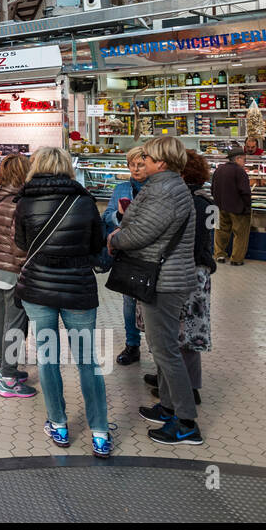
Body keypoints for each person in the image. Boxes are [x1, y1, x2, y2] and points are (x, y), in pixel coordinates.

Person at [13, 146, 111, 457]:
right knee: (88, 361)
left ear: (36, 167)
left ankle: (59, 424)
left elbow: (21, 244)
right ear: (67, 167)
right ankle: (100, 432)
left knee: (47, 358)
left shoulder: (25, 202)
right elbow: (97, 244)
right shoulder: (84, 201)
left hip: (38, 290)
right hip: (78, 289)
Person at [108, 136, 202, 446]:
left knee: (165, 351)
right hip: (166, 277)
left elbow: (139, 234)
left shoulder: (163, 190)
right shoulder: (168, 186)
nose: (141, 163)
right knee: (163, 347)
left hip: (164, 280)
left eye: (146, 158)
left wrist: (115, 239)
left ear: (161, 162)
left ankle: (186, 423)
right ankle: (168, 406)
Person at [150, 149, 215, 408]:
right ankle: (186, 382)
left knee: (175, 331)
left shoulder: (181, 200)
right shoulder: (207, 200)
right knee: (191, 332)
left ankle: (182, 390)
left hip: (182, 270)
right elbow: (209, 238)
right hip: (201, 272)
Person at [0, 153, 33, 399]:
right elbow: (19, 244)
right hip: (11, 270)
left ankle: (3, 369)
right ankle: (9, 379)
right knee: (15, 323)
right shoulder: (19, 203)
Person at [104, 146, 148, 364]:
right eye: (132, 165)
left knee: (151, 304)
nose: (136, 169)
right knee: (129, 302)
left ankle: (159, 348)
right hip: (128, 254)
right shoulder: (121, 188)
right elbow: (107, 216)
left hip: (151, 253)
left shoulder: (157, 188)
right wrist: (118, 215)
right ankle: (133, 345)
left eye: (141, 164)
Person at [212, 148, 253, 265]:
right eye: (244, 159)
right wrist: (247, 206)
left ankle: (219, 255)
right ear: (238, 158)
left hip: (220, 206)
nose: (245, 162)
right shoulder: (240, 172)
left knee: (220, 231)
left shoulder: (219, 169)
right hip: (238, 208)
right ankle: (236, 259)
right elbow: (245, 191)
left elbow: (212, 188)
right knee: (240, 234)